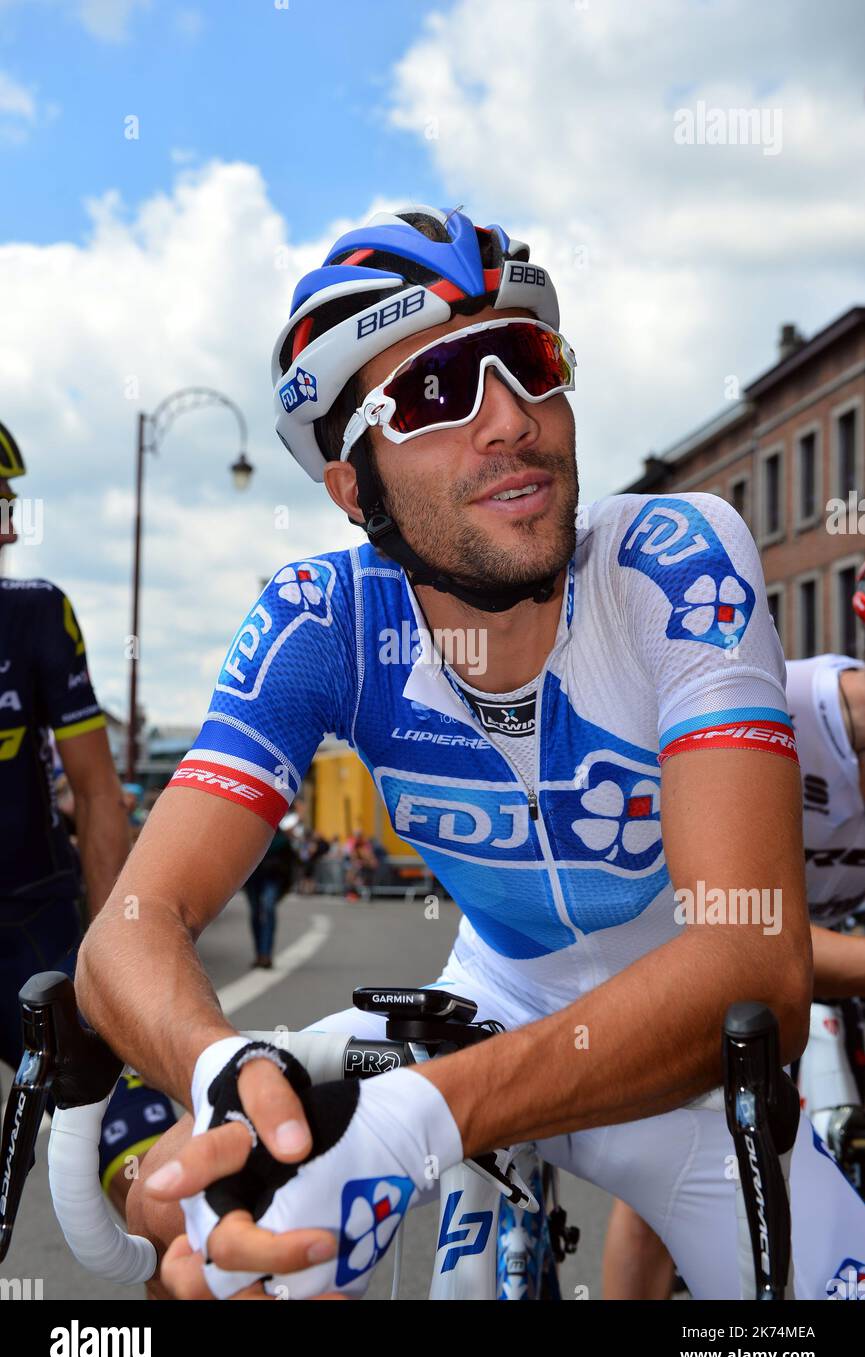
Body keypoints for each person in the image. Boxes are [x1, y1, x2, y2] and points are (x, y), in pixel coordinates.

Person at [75, 205, 865, 1301]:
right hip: (491, 996)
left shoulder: (675, 560)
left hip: (682, 1043)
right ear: (353, 489)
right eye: (439, 391)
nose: (510, 417)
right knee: (211, 1261)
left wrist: (416, 1117)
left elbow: (756, 974)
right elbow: (127, 931)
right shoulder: (322, 619)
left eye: (529, 362)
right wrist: (221, 1073)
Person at [603, 648, 865, 1298]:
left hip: (831, 938)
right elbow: (738, 932)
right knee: (670, 1159)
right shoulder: (774, 703)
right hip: (710, 933)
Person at [0, 420, 173, 1212]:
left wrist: (112, 955)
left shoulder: (36, 616)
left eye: (7, 504)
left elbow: (100, 795)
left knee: (164, 1189)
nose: (8, 526)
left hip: (34, 925)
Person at [242, 821, 295, 967]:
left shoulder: (281, 839)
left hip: (272, 878)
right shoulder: (249, 835)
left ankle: (266, 954)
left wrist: (285, 883)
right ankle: (259, 953)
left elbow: (290, 863)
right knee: (255, 913)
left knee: (268, 908)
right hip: (253, 878)